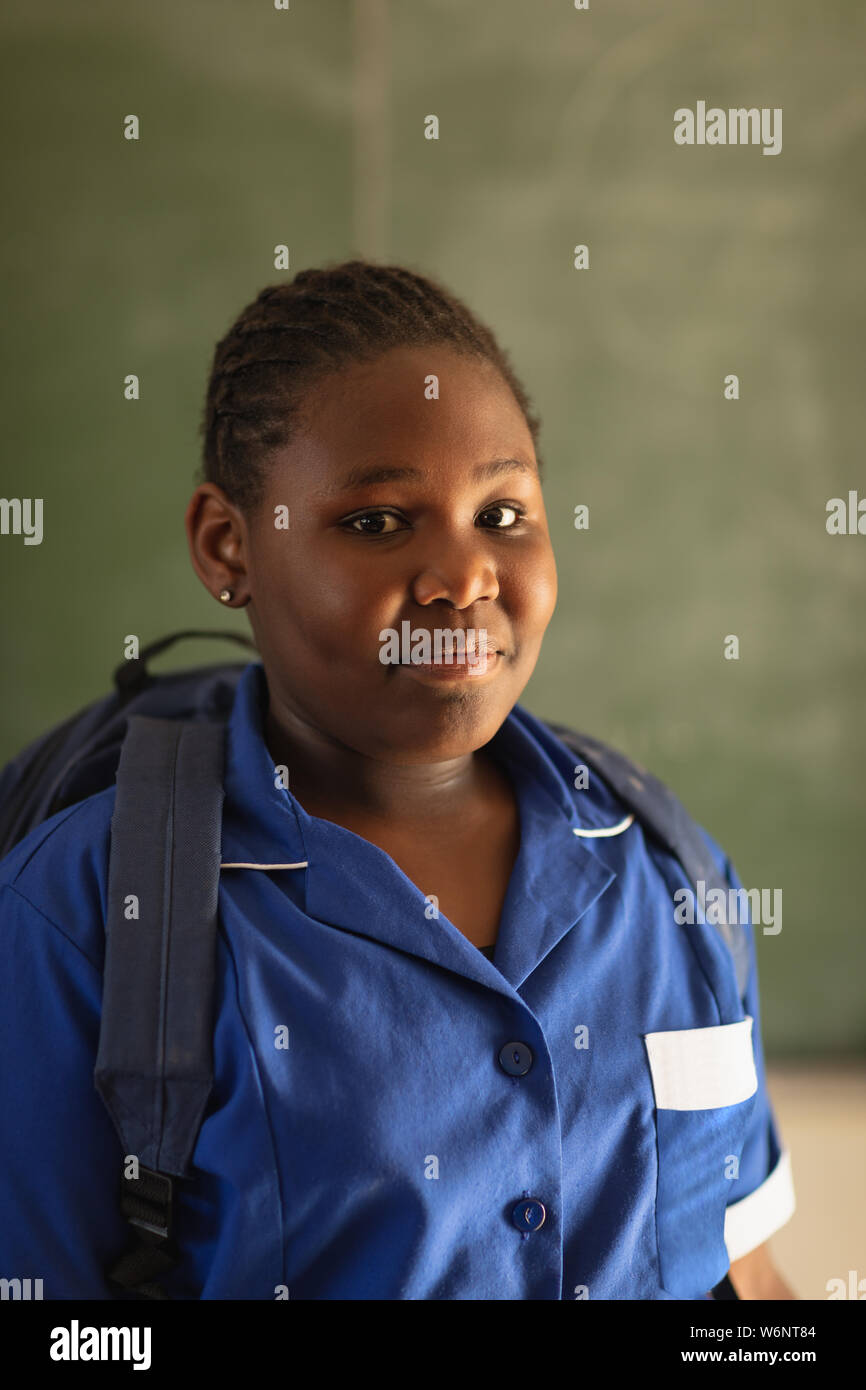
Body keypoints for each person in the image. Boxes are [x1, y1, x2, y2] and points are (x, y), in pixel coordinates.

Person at [0, 259, 796, 1299]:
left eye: (501, 515)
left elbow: (742, 1284)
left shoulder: (662, 872)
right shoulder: (93, 910)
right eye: (377, 521)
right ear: (226, 543)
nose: (463, 575)